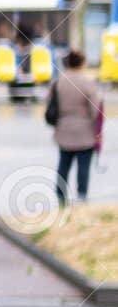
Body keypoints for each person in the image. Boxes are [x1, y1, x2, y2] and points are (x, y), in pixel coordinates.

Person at [50, 49, 103, 204]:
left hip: (63, 129)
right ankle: (81, 195)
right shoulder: (88, 82)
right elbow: (96, 110)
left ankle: (60, 195)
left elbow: (51, 105)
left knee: (64, 164)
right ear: (82, 62)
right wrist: (98, 130)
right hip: (85, 131)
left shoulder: (58, 81)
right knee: (83, 166)